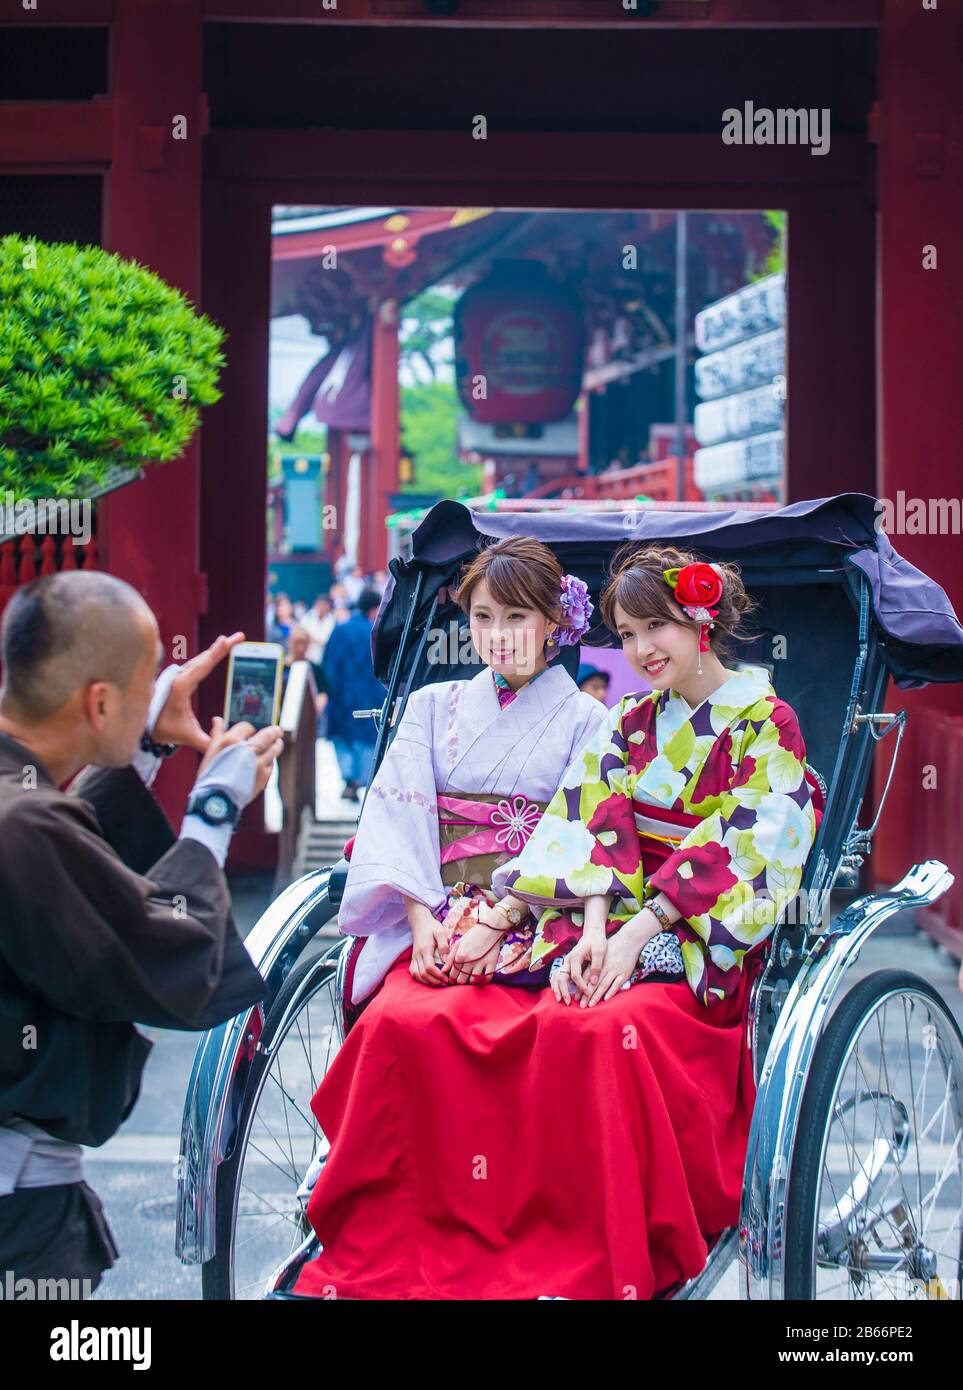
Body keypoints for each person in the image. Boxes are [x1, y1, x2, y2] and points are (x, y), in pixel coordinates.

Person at [292, 543, 817, 1300]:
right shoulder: (631, 720)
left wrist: (640, 931)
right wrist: (598, 928)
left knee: (596, 1033)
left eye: (655, 630)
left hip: (700, 938)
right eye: (628, 633)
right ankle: (444, 1229)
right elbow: (588, 826)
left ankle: (582, 1242)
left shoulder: (768, 723)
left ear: (700, 622)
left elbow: (755, 841)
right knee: (421, 1021)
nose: (639, 650)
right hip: (588, 922)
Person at [0, 571, 282, 1294]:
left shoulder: (22, 806)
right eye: (147, 676)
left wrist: (144, 743)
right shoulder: (25, 824)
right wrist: (214, 808)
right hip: (17, 1215)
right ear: (98, 702)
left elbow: (68, 874)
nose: (161, 684)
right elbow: (166, 947)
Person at [318, 588, 387, 803]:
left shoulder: (340, 630)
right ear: (375, 609)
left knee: (342, 738)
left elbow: (327, 663)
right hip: (370, 694)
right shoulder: (377, 632)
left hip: (340, 695)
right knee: (366, 740)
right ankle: (360, 780)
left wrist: (327, 692)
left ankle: (348, 778)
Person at [300, 593, 335, 666]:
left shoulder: (332, 620)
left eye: (325, 605)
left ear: (329, 607)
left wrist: (311, 637)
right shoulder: (308, 616)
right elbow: (302, 634)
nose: (322, 607)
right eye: (320, 604)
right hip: (308, 656)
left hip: (324, 657)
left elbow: (326, 641)